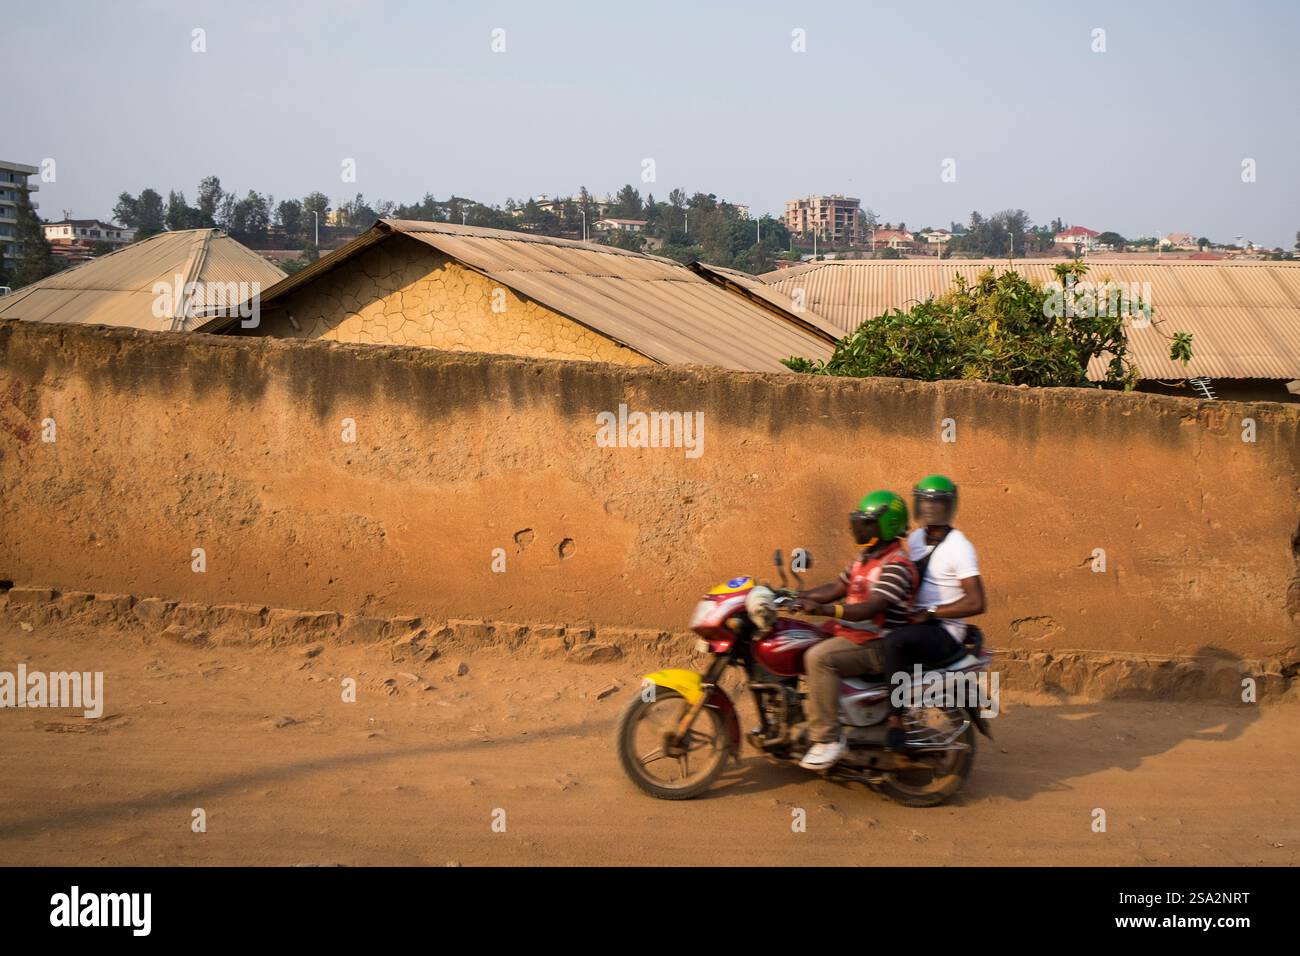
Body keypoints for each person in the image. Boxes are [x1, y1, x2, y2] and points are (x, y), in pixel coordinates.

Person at [790, 490, 919, 770]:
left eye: (867, 521)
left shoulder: (897, 565)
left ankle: (827, 738)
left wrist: (826, 610)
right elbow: (836, 587)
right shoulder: (865, 558)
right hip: (854, 634)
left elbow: (872, 607)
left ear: (886, 524)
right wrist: (794, 597)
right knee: (797, 639)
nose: (859, 526)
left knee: (819, 658)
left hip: (877, 644)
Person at [880, 474, 986, 744]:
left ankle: (895, 719)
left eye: (937, 503)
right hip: (918, 622)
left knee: (894, 643)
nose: (929, 508)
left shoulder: (960, 548)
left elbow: (976, 602)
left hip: (943, 630)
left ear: (948, 507)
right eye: (924, 502)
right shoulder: (915, 538)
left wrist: (931, 613)